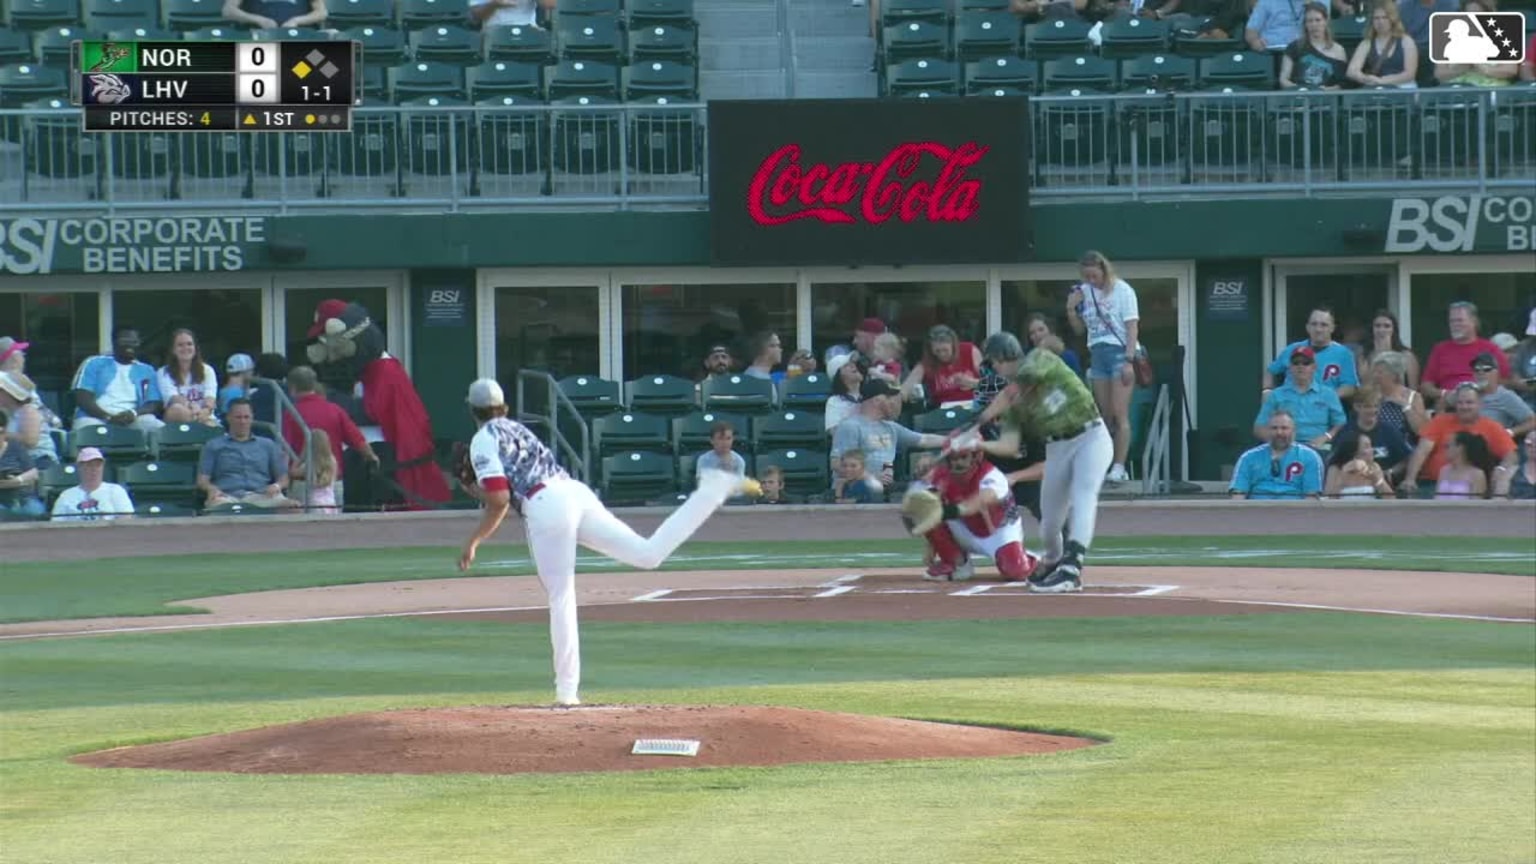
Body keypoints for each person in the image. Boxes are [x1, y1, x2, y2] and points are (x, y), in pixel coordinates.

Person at [455, 378, 761, 707]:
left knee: (561, 596)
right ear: (503, 407)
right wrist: (480, 492)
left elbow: (499, 499)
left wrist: (474, 539)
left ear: (471, 410)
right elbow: (504, 491)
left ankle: (567, 693)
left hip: (545, 504)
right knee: (647, 554)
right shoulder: (519, 428)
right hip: (574, 491)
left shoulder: (482, 439)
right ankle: (711, 491)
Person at [960, 347, 1113, 593]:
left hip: (1091, 437)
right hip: (1057, 448)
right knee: (1050, 520)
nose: (995, 369)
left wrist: (975, 423)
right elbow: (1009, 445)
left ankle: (1071, 569)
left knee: (1083, 495)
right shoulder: (1016, 406)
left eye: (996, 363)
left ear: (1005, 356)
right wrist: (975, 443)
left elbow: (1014, 389)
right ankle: (1053, 561)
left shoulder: (1039, 358)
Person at [909, 445, 1041, 583]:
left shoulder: (992, 475)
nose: (958, 463)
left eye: (963, 457)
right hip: (965, 527)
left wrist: (946, 511)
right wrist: (931, 545)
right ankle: (957, 564)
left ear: (976, 456)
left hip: (999, 533)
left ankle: (1029, 557)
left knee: (1016, 571)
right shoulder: (940, 476)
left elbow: (980, 502)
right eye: (953, 458)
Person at [1066, 250, 1142, 485]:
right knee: (1103, 415)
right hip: (1097, 352)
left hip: (1120, 352)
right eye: (1086, 276)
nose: (1091, 280)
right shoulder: (1084, 292)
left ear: (1104, 271)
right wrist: (1071, 309)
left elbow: (1132, 327)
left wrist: (1129, 360)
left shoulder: (1123, 290)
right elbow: (1080, 330)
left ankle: (1120, 466)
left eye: (1094, 276)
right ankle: (1104, 465)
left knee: (1120, 413)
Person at [197, 399, 301, 509]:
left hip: (261, 495)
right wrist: (211, 489)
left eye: (246, 417)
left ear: (252, 418)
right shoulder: (213, 446)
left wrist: (276, 486)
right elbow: (202, 480)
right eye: (238, 417)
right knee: (216, 506)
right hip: (226, 496)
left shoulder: (267, 445)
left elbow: (283, 478)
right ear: (228, 418)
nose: (243, 422)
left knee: (293, 507)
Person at [70, 326, 165, 433]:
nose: (130, 345)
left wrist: (133, 413)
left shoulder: (147, 370)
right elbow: (82, 397)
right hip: (95, 417)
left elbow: (153, 403)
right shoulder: (94, 363)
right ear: (114, 342)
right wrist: (108, 417)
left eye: (134, 342)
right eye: (124, 341)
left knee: (156, 427)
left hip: (132, 418)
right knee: (87, 430)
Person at [1264, 306, 1360, 400]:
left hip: (1324, 406)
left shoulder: (1344, 354)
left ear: (1332, 328)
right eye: (1314, 324)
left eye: (1324, 325)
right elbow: (1270, 371)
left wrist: (1328, 398)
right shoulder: (1293, 349)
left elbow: (1350, 387)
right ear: (1307, 327)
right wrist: (1267, 390)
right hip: (1290, 405)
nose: (1318, 329)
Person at [1230, 410, 1326, 500]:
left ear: (1294, 431)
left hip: (1295, 510)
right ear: (1267, 430)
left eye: (1284, 428)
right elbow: (1238, 495)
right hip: (1257, 509)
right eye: (1274, 428)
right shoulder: (1248, 458)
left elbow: (1311, 498)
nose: (1279, 433)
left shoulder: (1310, 457)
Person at [50, 447, 135, 522]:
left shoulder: (115, 491)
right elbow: (56, 525)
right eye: (89, 465)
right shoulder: (66, 496)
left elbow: (126, 519)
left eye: (98, 465)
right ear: (80, 467)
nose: (94, 469)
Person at [157, 328, 221, 427]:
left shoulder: (207, 370)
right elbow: (173, 398)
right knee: (177, 409)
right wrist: (192, 406)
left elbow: (210, 398)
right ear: (173, 350)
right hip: (177, 419)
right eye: (180, 345)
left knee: (212, 424)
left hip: (204, 416)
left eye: (189, 344)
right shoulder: (163, 372)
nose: (185, 348)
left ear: (195, 348)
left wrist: (206, 410)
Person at [1346, 2, 1419, 88]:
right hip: (1377, 88)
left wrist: (1382, 81)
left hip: (1403, 88)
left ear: (1392, 19)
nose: (1380, 22)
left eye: (1385, 17)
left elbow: (1409, 74)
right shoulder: (1367, 43)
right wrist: (1366, 78)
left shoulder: (1406, 41)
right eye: (1376, 18)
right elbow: (1351, 71)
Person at [1280, 2, 1350, 88]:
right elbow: (1283, 80)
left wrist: (1326, 90)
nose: (1314, 25)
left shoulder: (1339, 51)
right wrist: (1298, 89)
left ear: (1326, 21)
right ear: (1305, 24)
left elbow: (1342, 85)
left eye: (1318, 20)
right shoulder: (1294, 47)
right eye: (1310, 21)